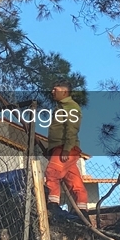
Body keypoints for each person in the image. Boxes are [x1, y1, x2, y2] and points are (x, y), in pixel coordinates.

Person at [44, 80, 88, 216]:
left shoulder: (70, 107)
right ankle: (81, 210)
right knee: (73, 180)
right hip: (62, 147)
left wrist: (67, 149)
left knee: (52, 172)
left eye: (55, 89)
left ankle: (53, 204)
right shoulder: (62, 107)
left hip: (64, 147)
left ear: (64, 91)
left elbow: (72, 128)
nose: (52, 91)